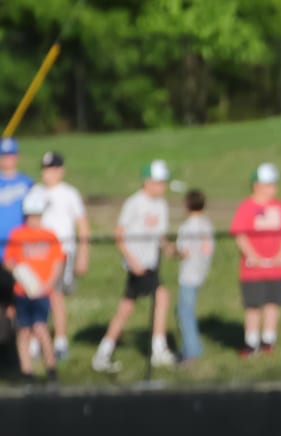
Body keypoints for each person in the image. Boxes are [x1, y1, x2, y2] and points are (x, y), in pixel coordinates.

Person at [93, 160, 174, 373]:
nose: (161, 187)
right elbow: (119, 235)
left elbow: (159, 236)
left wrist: (170, 249)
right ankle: (158, 349)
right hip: (138, 264)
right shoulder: (134, 203)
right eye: (158, 182)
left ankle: (104, 351)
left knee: (126, 307)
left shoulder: (162, 205)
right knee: (162, 296)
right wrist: (132, 261)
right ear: (147, 182)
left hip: (152, 263)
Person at [23, 151, 88, 360]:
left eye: (51, 169)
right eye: (45, 169)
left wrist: (83, 254)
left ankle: (60, 341)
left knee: (55, 295)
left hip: (61, 252)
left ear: (61, 171)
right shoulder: (35, 191)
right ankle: (34, 340)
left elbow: (82, 225)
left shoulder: (69, 193)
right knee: (33, 294)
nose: (47, 174)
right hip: (35, 253)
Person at [232, 163, 281, 357]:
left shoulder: (280, 207)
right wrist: (252, 255)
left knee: (272, 303)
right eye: (268, 184)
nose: (272, 188)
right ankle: (251, 342)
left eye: (274, 184)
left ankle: (268, 339)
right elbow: (240, 234)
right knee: (253, 306)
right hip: (253, 271)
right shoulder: (246, 207)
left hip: (276, 269)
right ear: (256, 185)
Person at [4, 194, 64, 383]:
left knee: (40, 328)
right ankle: (27, 372)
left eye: (37, 215)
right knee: (24, 331)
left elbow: (57, 261)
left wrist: (48, 284)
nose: (34, 220)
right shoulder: (17, 235)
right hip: (23, 290)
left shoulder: (49, 235)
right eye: (31, 216)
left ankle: (51, 368)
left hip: (41, 291)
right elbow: (8, 260)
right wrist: (19, 271)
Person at [173, 189, 214, 364]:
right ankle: (190, 346)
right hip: (202, 271)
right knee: (187, 310)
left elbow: (184, 251)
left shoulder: (187, 226)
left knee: (184, 312)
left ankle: (192, 350)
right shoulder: (207, 224)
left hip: (189, 274)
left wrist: (170, 249)